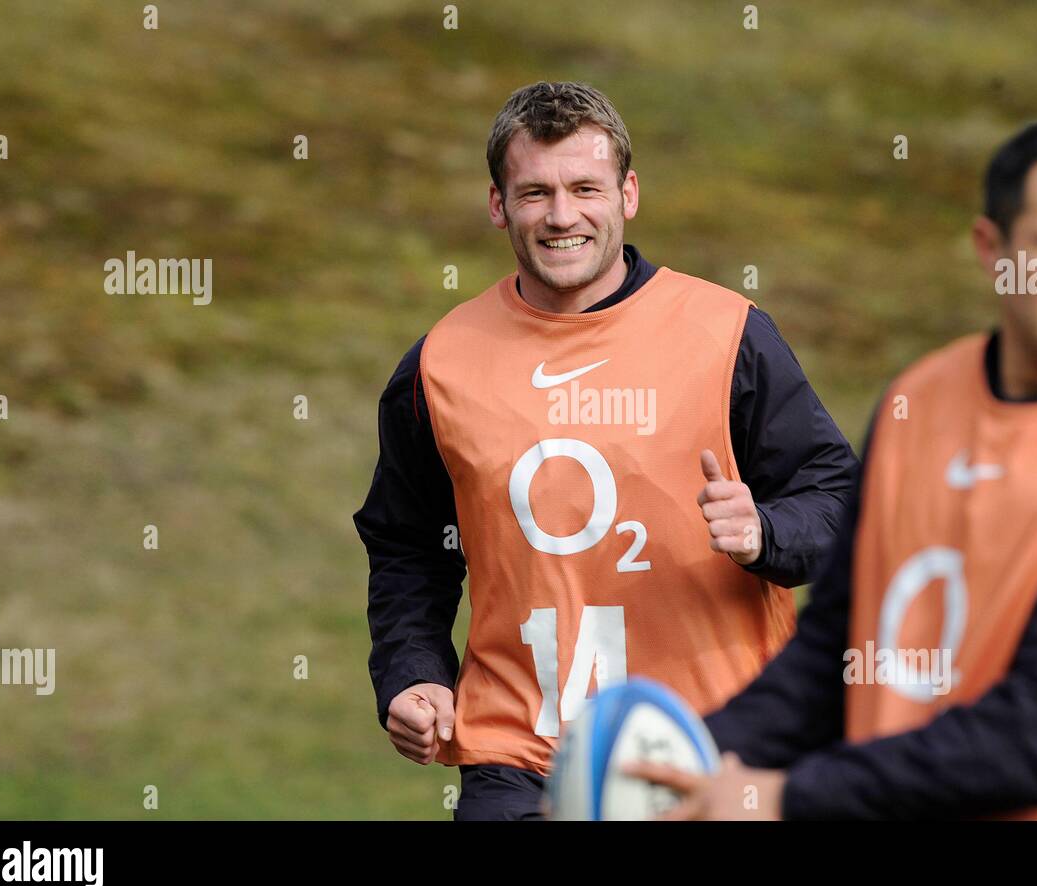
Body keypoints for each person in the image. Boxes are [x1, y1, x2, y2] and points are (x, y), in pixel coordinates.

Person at [630, 120, 1037, 820]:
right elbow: (832, 656)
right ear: (993, 249)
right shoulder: (916, 403)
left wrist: (791, 797)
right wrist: (665, 772)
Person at [352, 81, 857, 820]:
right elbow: (406, 545)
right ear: (498, 205)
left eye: (585, 187)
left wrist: (767, 533)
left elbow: (843, 502)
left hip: (714, 751)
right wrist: (414, 672)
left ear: (627, 193)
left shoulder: (728, 334)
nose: (562, 216)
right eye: (535, 193)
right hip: (520, 759)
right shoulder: (440, 363)